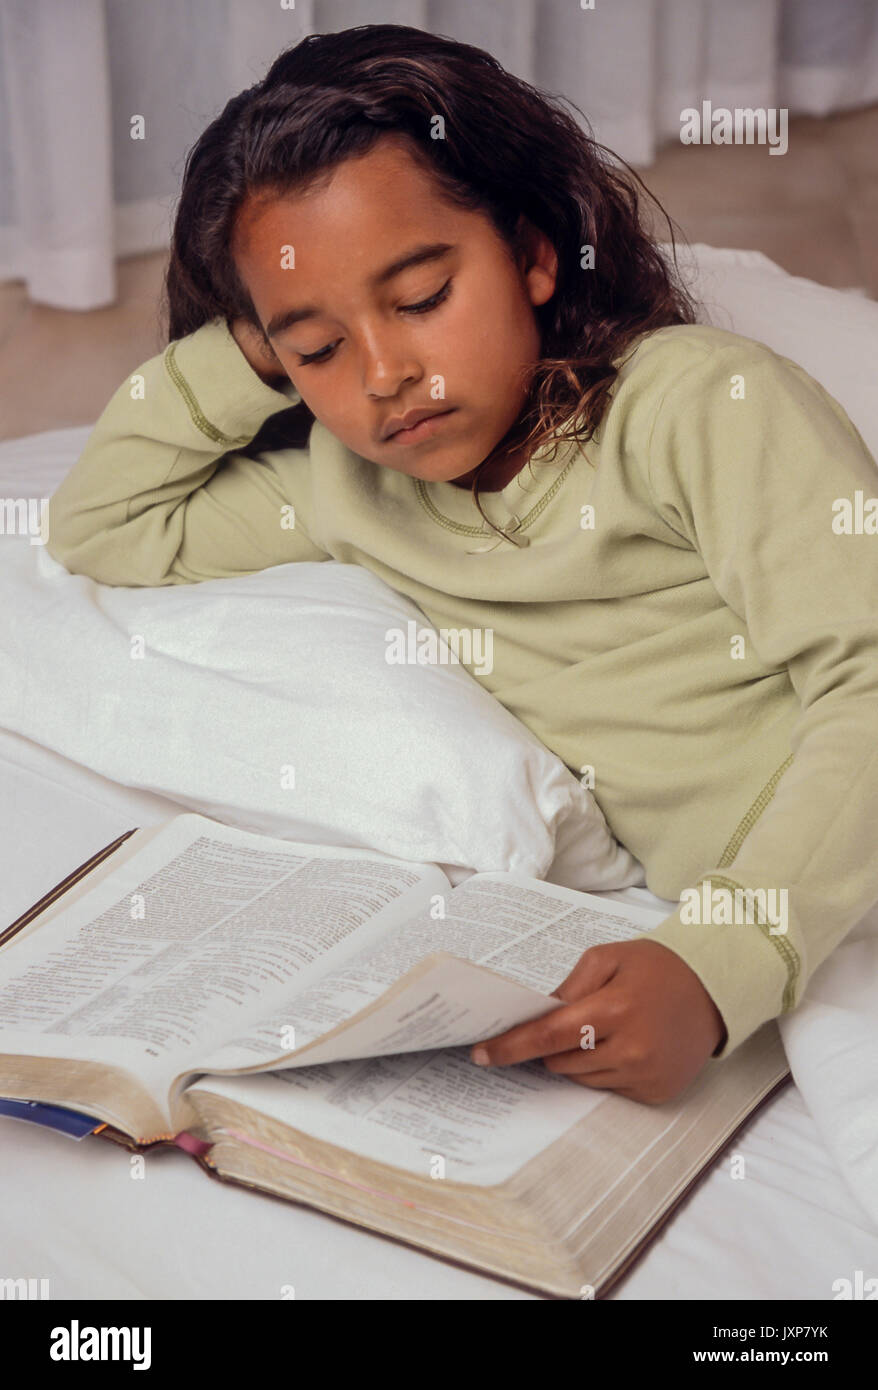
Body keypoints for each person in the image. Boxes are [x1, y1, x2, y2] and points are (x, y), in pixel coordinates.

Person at [46, 24, 878, 1105]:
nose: (386, 375)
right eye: (318, 347)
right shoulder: (349, 492)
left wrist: (719, 962)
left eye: (421, 298)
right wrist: (246, 342)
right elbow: (102, 527)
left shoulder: (699, 405)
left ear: (532, 255)